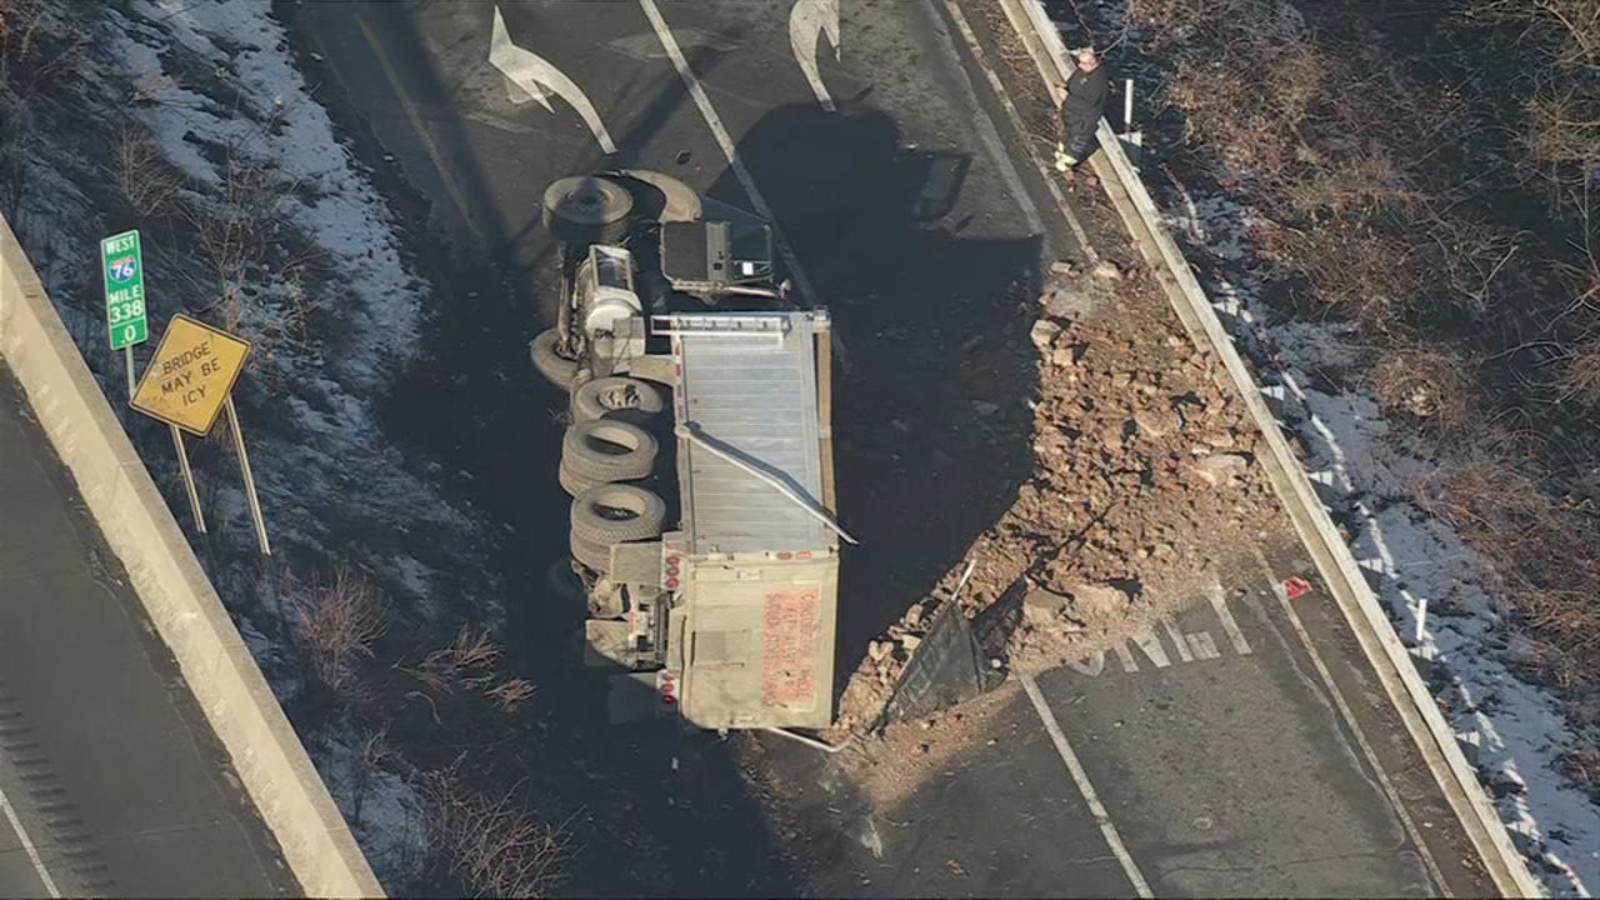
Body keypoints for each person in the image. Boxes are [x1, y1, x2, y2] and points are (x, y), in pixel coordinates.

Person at [1055, 47, 1109, 172]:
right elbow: (1073, 81)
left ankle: (1068, 162)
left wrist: (1067, 98)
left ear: (1092, 63)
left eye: (1083, 63)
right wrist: (1065, 86)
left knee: (1076, 141)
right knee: (1067, 135)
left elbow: (1089, 104)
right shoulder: (1082, 70)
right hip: (1071, 114)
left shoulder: (1098, 81)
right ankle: (1062, 152)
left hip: (1083, 120)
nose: (1079, 65)